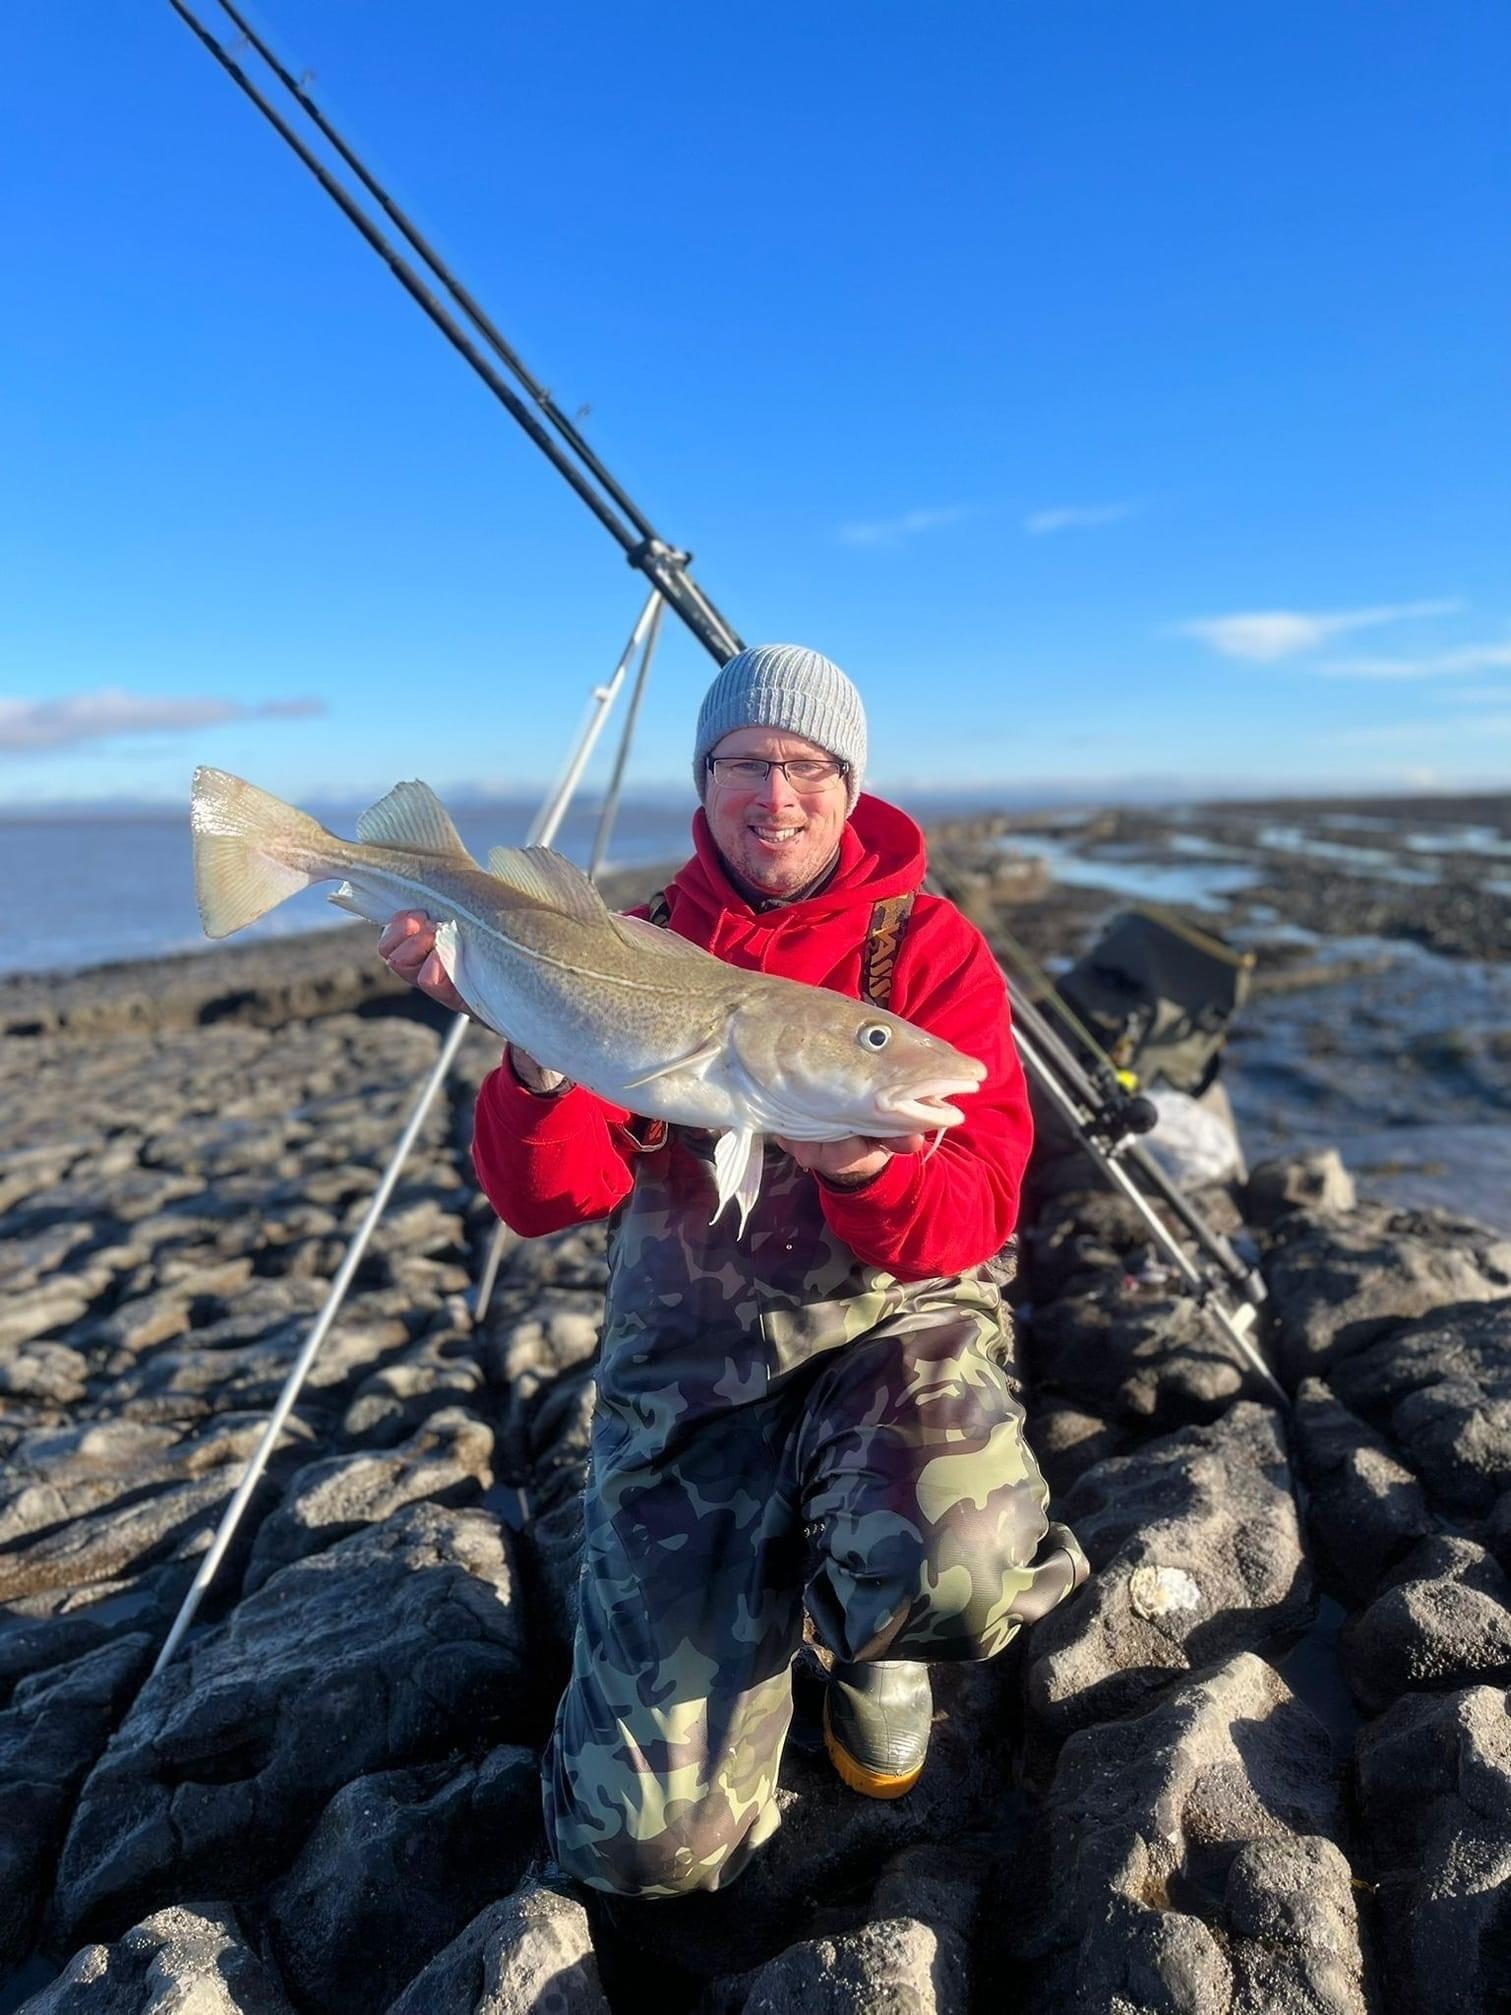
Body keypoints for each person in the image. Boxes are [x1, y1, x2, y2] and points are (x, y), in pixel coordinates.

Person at [379, 643, 1087, 1899]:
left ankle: (878, 1631)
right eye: (748, 762)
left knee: (960, 1563)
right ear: (704, 781)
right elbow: (543, 1200)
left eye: (809, 766)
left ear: (850, 784)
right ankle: (747, 1612)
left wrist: (864, 1170)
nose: (778, 793)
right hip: (691, 1380)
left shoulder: (925, 953)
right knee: (640, 1854)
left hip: (887, 1341)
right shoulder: (631, 940)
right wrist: (530, 1046)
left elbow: (975, 1208)